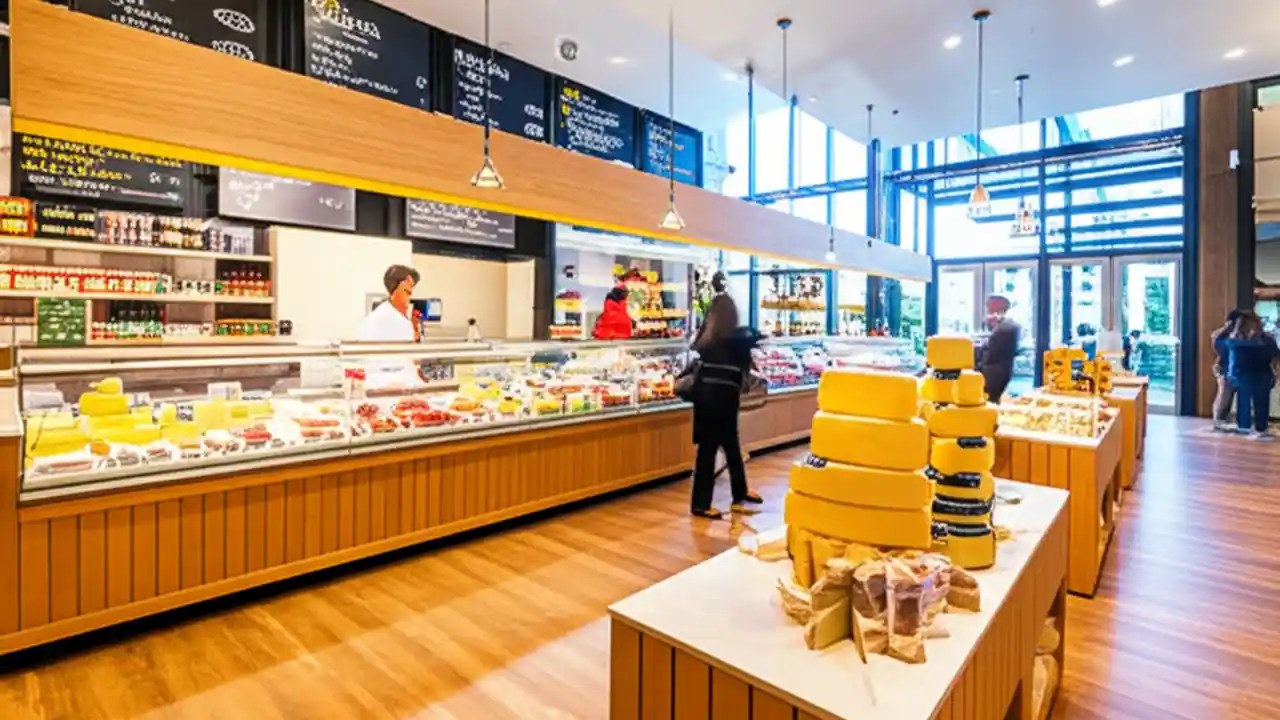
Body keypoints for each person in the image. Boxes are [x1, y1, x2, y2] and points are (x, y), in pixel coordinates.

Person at [689, 294, 762, 519]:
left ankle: (736, 491)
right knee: (725, 446)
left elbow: (695, 348)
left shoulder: (705, 338)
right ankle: (702, 504)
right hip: (724, 397)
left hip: (704, 396)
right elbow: (755, 339)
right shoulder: (736, 338)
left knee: (713, 448)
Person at [1225, 311, 1279, 439]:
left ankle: (1246, 428)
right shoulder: (1266, 340)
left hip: (1248, 375)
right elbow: (1275, 357)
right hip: (1258, 374)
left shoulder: (1234, 340)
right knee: (1259, 403)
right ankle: (1258, 429)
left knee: (1246, 402)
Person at [358, 265, 420, 342]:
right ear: (394, 291)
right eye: (407, 292)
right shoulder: (400, 323)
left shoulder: (372, 317)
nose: (409, 298)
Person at [980, 294, 1021, 402]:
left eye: (989, 305)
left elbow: (991, 353)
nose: (987, 308)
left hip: (993, 376)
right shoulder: (1004, 325)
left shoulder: (1005, 328)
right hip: (999, 373)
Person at [1211, 311, 1242, 431]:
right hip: (1225, 369)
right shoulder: (1224, 338)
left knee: (1227, 397)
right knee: (1224, 396)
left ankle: (1222, 420)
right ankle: (1218, 420)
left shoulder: (1223, 337)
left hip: (1230, 369)